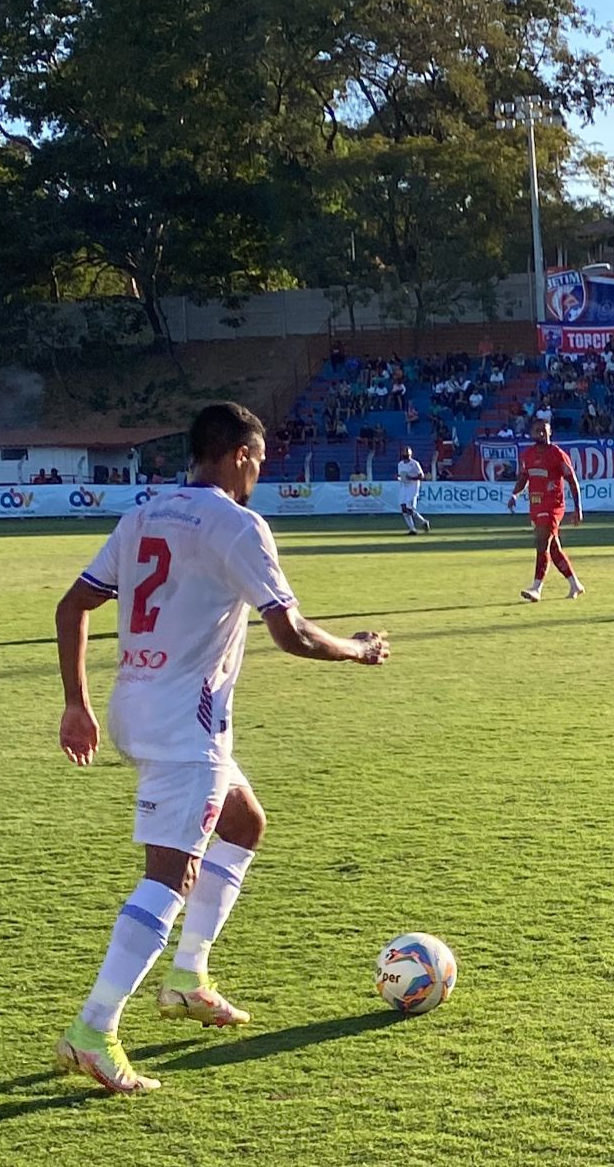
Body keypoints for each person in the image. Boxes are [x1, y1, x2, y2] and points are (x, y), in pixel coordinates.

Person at [52, 403, 389, 1094]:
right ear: (238, 454)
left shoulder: (143, 513)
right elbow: (289, 632)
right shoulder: (238, 526)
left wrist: (76, 702)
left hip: (133, 705)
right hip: (184, 726)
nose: (259, 475)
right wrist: (356, 651)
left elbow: (71, 606)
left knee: (242, 822)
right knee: (169, 876)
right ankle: (93, 1028)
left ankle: (186, 977)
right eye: (259, 462)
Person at [507, 418, 584, 602]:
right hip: (536, 506)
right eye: (537, 430)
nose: (540, 433)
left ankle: (536, 588)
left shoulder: (557, 454)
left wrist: (578, 508)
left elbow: (572, 480)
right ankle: (575, 584)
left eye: (544, 430)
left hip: (553, 506)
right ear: (531, 433)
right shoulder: (527, 455)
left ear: (550, 433)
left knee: (542, 543)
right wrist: (514, 494)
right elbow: (524, 478)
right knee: (554, 549)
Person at [395, 446, 429, 536]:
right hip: (403, 487)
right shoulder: (400, 464)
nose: (406, 456)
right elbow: (400, 475)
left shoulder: (415, 464)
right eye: (404, 454)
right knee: (403, 508)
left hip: (412, 488)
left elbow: (421, 476)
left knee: (410, 509)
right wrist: (399, 478)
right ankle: (412, 529)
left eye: (407, 454)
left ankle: (423, 521)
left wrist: (411, 478)